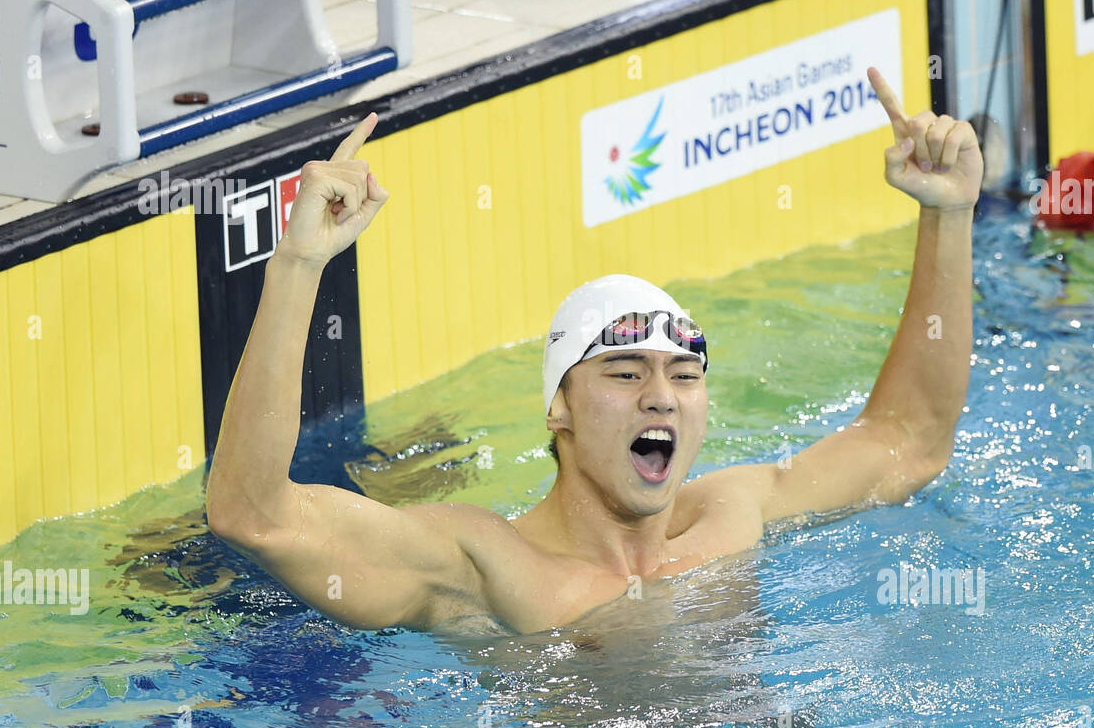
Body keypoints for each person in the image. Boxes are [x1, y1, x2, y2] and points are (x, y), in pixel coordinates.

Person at [205, 66, 982, 634]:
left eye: (684, 374)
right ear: (558, 408)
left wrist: (949, 216)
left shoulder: (733, 515)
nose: (661, 395)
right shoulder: (486, 565)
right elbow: (252, 512)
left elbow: (907, 441)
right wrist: (300, 263)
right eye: (624, 370)